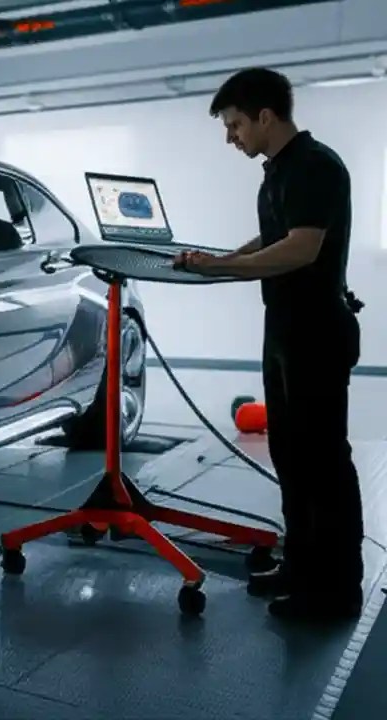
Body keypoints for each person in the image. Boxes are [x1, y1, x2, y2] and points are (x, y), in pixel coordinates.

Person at [175, 67, 364, 621]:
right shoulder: (277, 172)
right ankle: (302, 568)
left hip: (316, 333)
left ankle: (335, 590)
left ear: (264, 116)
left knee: (323, 461)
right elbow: (276, 237)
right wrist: (218, 261)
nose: (230, 137)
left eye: (234, 125)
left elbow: (301, 249)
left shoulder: (316, 166)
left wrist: (225, 269)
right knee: (289, 455)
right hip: (283, 329)